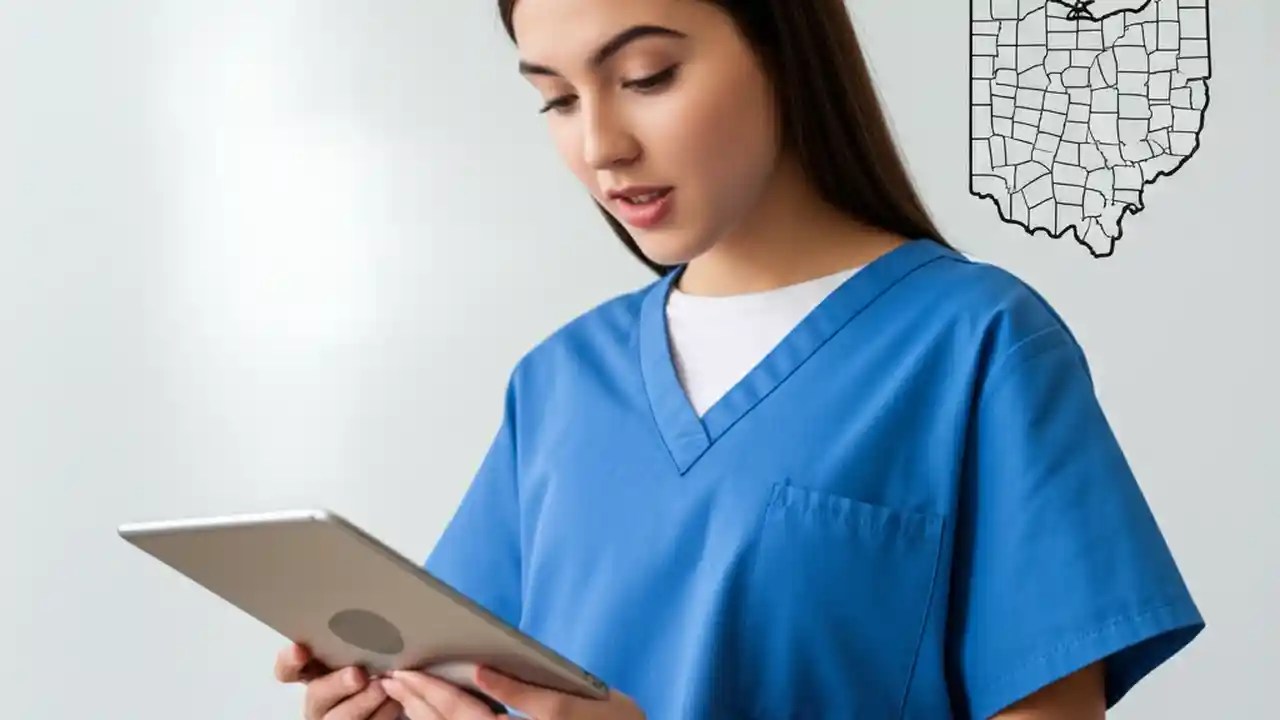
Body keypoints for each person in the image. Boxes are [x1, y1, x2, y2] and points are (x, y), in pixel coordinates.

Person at [275, 0, 1205, 717]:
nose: (600, 145)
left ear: (781, 48)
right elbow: (479, 685)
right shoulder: (558, 384)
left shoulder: (976, 344)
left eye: (646, 75)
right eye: (556, 98)